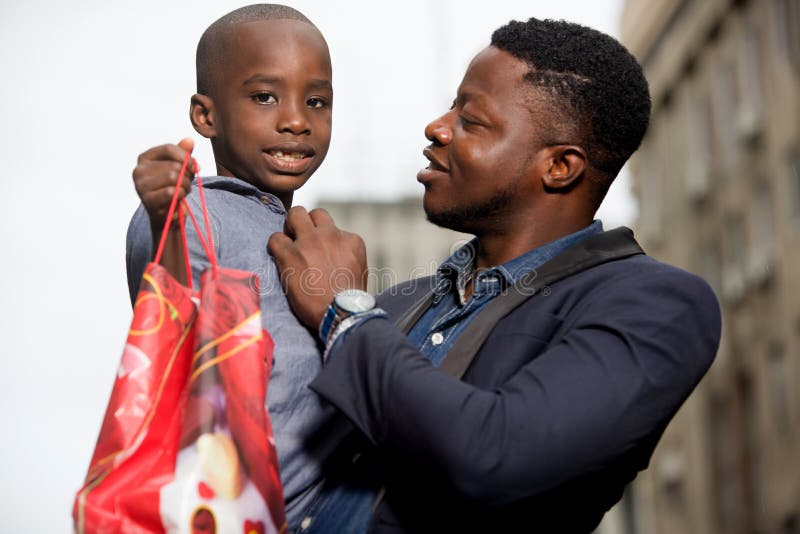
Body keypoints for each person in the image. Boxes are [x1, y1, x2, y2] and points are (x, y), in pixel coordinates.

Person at [268, 17, 722, 533]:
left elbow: (495, 455)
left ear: (559, 166)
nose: (436, 127)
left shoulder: (656, 304)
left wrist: (344, 313)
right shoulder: (395, 306)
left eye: (472, 120)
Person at [125, 5, 351, 530]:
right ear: (206, 116)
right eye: (265, 97)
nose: (296, 119)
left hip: (321, 508)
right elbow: (171, 299)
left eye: (316, 101)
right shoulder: (199, 211)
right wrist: (166, 213)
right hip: (230, 507)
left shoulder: (313, 235)